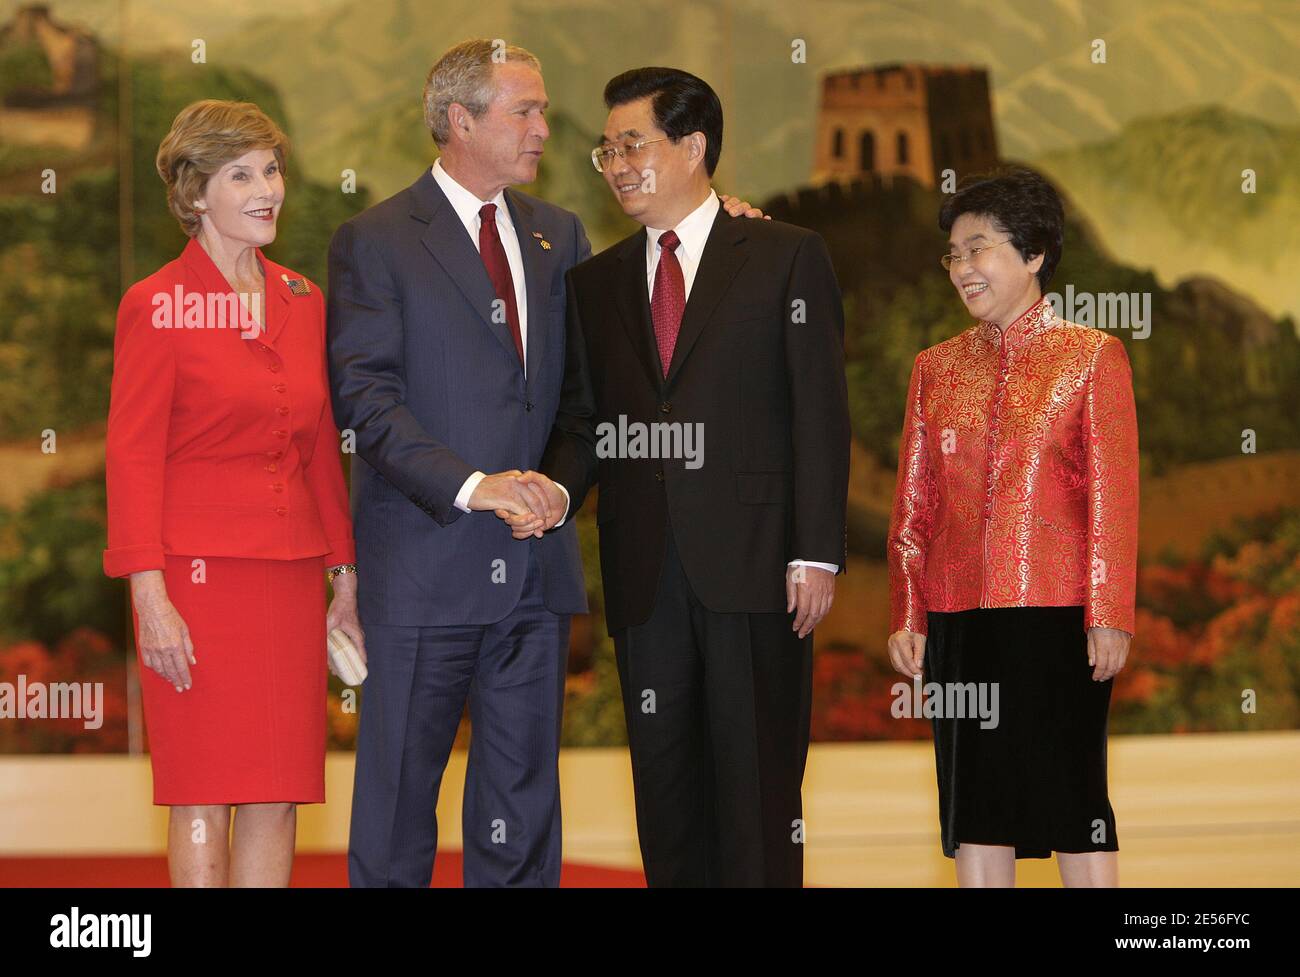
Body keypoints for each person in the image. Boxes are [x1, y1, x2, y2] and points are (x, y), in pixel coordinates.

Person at [523, 67, 850, 887]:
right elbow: (585, 423)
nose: (618, 163)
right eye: (608, 150)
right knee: (666, 801)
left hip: (756, 570)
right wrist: (557, 491)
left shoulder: (785, 256)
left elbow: (819, 410)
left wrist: (816, 550)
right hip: (645, 580)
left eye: (634, 142)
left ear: (694, 146)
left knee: (757, 793)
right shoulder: (593, 285)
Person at [103, 99, 363, 887]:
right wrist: (149, 596)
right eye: (241, 173)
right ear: (194, 195)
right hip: (192, 584)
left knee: (279, 790)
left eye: (273, 169)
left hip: (287, 577)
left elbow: (320, 451)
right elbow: (131, 456)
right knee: (202, 790)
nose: (268, 189)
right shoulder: (156, 303)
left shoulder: (303, 299)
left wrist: (345, 579)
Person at [885, 167, 1138, 888]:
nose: (963, 268)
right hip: (959, 617)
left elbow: (1112, 498)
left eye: (980, 248)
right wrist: (910, 611)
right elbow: (914, 508)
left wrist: (1109, 611)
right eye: (954, 255)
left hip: (1059, 617)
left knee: (1074, 799)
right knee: (976, 807)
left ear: (1033, 255)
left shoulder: (1092, 357)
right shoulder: (934, 369)